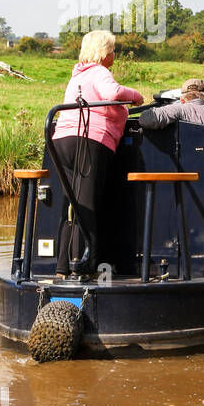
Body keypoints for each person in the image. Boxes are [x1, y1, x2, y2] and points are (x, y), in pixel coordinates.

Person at [51, 30, 144, 277]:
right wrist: (135, 96)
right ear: (104, 53)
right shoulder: (100, 72)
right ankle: (88, 267)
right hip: (89, 142)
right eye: (113, 50)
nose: (114, 55)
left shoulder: (77, 76)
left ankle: (62, 268)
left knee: (71, 205)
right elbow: (112, 94)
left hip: (61, 141)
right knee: (88, 206)